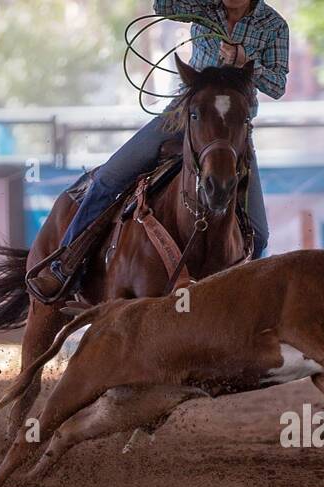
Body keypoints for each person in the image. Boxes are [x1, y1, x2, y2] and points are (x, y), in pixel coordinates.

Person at [30, 0, 289, 302]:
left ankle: (252, 305)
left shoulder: (273, 25)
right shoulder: (205, 7)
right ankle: (66, 264)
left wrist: (244, 58)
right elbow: (163, 5)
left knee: (258, 231)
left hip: (232, 130)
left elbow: (278, 84)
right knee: (109, 178)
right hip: (183, 116)